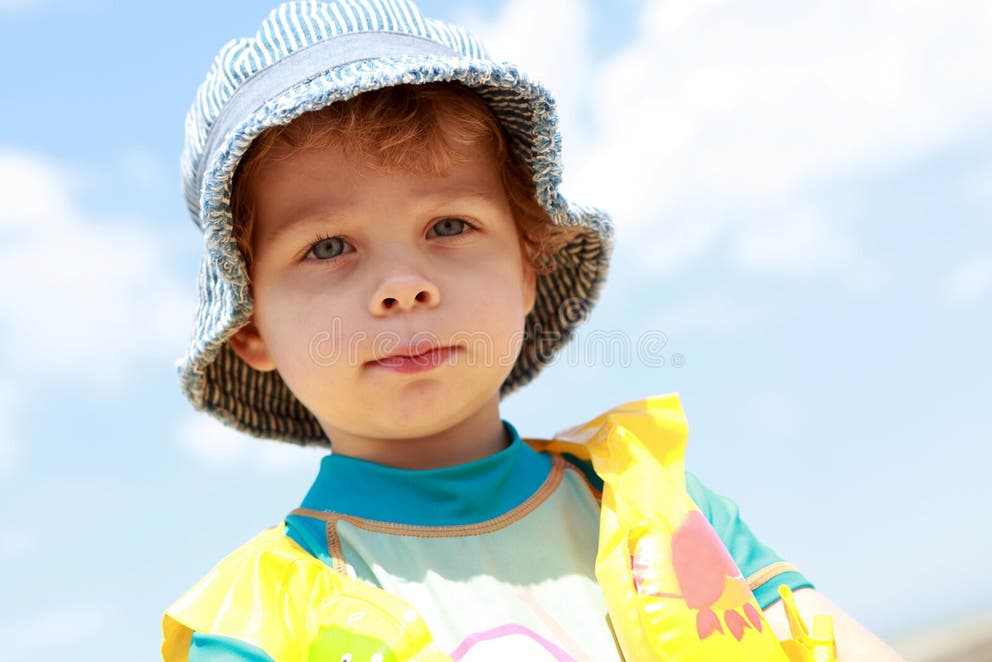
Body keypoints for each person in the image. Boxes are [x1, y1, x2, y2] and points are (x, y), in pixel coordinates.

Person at [162, 1, 902, 660]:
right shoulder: (258, 626)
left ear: (527, 267)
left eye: (448, 225)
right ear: (248, 326)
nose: (402, 286)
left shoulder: (656, 510)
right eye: (327, 247)